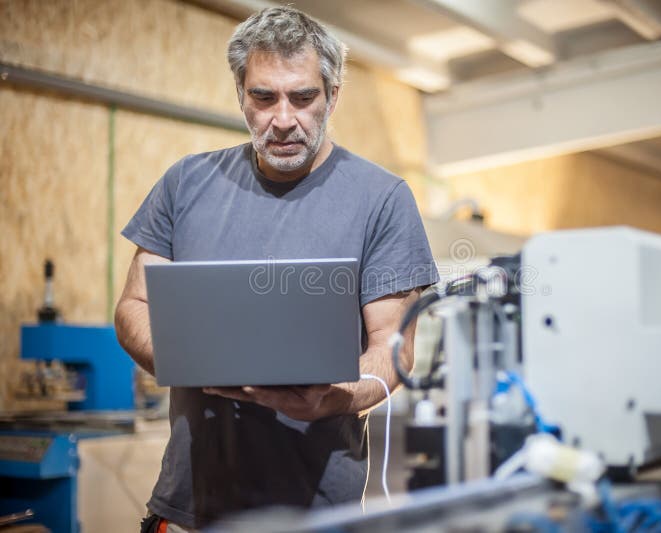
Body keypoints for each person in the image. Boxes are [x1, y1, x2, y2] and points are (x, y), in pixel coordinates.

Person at [115, 6, 438, 531]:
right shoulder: (185, 184)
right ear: (240, 93)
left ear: (332, 96)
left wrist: (334, 399)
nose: (283, 118)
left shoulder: (382, 199)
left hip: (313, 514)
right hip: (189, 506)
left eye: (304, 97)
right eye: (263, 97)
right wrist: (190, 360)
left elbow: (394, 349)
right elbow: (133, 306)